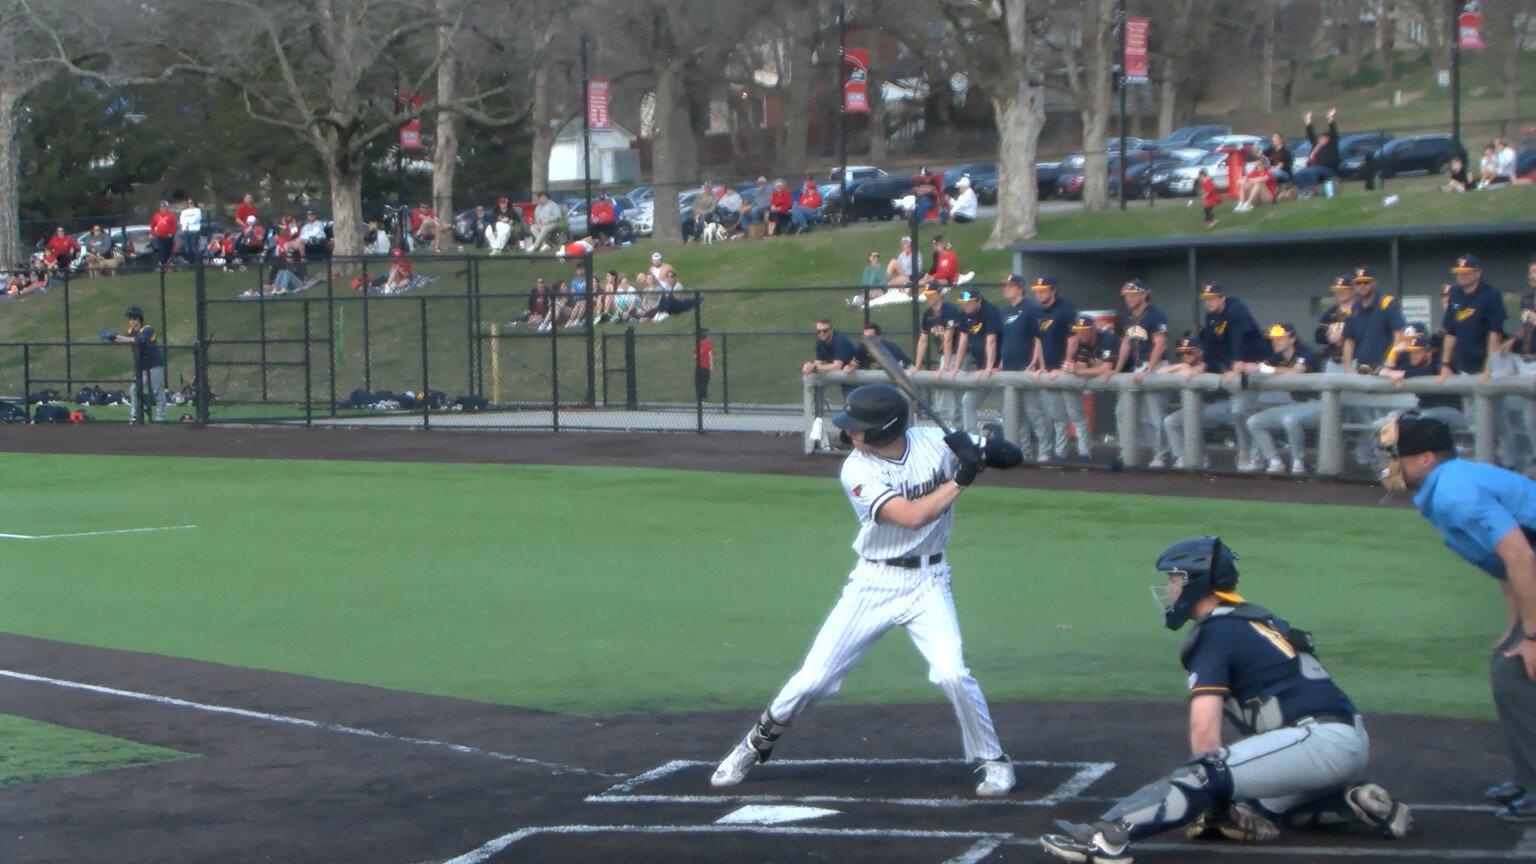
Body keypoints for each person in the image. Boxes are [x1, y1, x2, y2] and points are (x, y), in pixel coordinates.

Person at [710, 383, 1023, 797]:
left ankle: (993, 760)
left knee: (952, 673)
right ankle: (754, 744)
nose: (848, 433)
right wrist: (963, 477)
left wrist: (979, 449)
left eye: (857, 427)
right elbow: (911, 518)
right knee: (813, 680)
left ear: (882, 430)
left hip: (927, 582)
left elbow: (1013, 457)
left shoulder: (935, 442)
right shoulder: (856, 469)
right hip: (873, 583)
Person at [1039, 536, 1411, 864]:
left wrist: (1216, 805)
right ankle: (1349, 802)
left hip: (1316, 741)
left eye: (1174, 580)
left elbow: (1205, 736)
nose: (1170, 590)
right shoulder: (1258, 619)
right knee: (1260, 807)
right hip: (1339, 743)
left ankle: (1109, 836)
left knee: (1205, 771)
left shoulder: (1215, 631)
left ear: (1197, 582)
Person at [1378, 411, 1536, 822]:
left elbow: (1521, 556)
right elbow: (1504, 568)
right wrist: (1514, 628)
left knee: (1516, 676)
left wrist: (1533, 636)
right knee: (1509, 666)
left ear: (1427, 457)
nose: (1394, 465)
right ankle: (1529, 778)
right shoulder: (1446, 486)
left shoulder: (1455, 492)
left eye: (1401, 456)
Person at [1102, 279, 1173, 468]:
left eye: (1133, 294)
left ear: (1143, 294)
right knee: (1122, 412)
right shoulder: (1130, 317)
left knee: (1154, 414)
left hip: (1155, 366)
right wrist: (1117, 369)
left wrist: (1149, 368)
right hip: (1136, 368)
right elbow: (1125, 343)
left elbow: (1161, 343)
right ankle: (1128, 454)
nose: (1129, 299)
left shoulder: (1155, 314)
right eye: (1127, 295)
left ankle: (1161, 455)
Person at [1200, 283, 1269, 471]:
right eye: (1206, 299)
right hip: (1236, 368)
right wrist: (1207, 364)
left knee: (1242, 411)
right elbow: (1210, 346)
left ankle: (1252, 456)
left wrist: (1236, 363)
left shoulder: (1236, 308)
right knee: (1241, 412)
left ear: (1223, 297)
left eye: (1212, 298)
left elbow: (1240, 338)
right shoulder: (1211, 318)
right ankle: (1249, 454)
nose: (1209, 302)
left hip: (1257, 364)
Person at [1438, 254, 1508, 437]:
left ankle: (1508, 461)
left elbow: (1495, 333)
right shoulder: (1455, 293)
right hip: (1465, 367)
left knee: (1496, 421)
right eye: (1459, 272)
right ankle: (1480, 460)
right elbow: (1450, 332)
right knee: (1472, 419)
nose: (1461, 276)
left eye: (1466, 272)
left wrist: (1489, 368)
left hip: (1487, 367)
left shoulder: (1490, 295)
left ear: (1478, 273)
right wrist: (1445, 365)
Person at [1240, 323, 1321, 475]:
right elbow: (1260, 367)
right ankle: (1275, 462)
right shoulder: (1277, 356)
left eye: (1280, 338)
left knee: (1290, 420)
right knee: (1254, 421)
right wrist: (1246, 367)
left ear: (1292, 339)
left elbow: (1296, 372)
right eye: (1273, 339)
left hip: (1320, 405)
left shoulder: (1305, 353)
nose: (1275, 342)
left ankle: (1298, 462)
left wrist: (1266, 369)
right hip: (1297, 405)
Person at [1026, 276, 1088, 461]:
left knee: (1075, 413)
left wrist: (1065, 364)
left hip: (1067, 370)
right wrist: (1038, 365)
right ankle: (1061, 453)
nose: (1039, 293)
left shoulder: (1065, 309)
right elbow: (1039, 340)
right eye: (1037, 290)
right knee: (1056, 415)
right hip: (1050, 370)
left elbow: (1074, 338)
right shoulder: (1039, 313)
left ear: (1053, 290)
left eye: (1043, 290)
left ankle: (1085, 452)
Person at [948, 288, 1003, 434]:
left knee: (1006, 408)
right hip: (982, 368)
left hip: (1001, 367)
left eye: (969, 303)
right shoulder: (964, 315)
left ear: (979, 300)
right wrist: (956, 366)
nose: (966, 306)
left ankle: (1019, 445)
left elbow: (992, 341)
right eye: (964, 303)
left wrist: (990, 367)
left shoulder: (990, 312)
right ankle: (973, 439)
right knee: (968, 401)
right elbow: (963, 341)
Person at [106, 304, 167, 423]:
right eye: (130, 319)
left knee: (157, 391)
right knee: (134, 389)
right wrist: (113, 338)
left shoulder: (147, 329)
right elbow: (126, 340)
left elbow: (138, 340)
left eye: (134, 318)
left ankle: (160, 416)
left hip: (155, 364)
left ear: (139, 318)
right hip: (142, 366)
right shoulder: (130, 331)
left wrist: (117, 336)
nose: (132, 321)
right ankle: (135, 415)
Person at [915, 285, 963, 428]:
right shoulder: (928, 313)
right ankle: (945, 427)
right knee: (942, 393)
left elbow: (948, 340)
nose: (928, 296)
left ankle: (957, 429)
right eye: (926, 294)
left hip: (957, 355)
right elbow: (923, 340)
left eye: (931, 293)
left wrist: (947, 366)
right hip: (945, 356)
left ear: (940, 293)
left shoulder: (949, 309)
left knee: (954, 395)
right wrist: (917, 366)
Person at [1342, 266, 1405, 373]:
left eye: (1366, 282)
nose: (1362, 286)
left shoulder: (1386, 303)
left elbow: (1399, 334)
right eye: (1358, 283)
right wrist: (1347, 367)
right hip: (1361, 369)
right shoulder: (1352, 310)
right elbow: (1349, 340)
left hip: (1385, 369)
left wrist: (1390, 362)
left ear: (1374, 283)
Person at [1292, 108, 1340, 198]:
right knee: (1298, 174)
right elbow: (1310, 134)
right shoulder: (1316, 145)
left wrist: (1329, 118)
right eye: (1320, 137)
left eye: (1323, 137)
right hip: (1313, 168)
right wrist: (1308, 121)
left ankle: (1311, 190)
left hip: (1326, 169)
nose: (1320, 139)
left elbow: (1334, 133)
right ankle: (1304, 190)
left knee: (1312, 172)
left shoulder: (1331, 145)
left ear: (1328, 139)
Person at [1316, 276, 1356, 371]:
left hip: (1354, 360)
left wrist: (1345, 335)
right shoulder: (1331, 313)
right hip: (1334, 361)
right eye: (1337, 290)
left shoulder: (1359, 310)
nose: (1340, 292)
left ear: (1353, 291)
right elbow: (1318, 335)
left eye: (1344, 289)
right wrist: (1329, 337)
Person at [846, 322, 911, 372]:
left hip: (904, 371)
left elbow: (898, 369)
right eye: (864, 336)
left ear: (878, 337)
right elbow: (854, 363)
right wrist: (849, 367)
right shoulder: (862, 347)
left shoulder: (890, 348)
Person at [149, 201, 178, 267]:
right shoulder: (156, 215)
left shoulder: (170, 215)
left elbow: (175, 225)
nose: (163, 208)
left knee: (168, 250)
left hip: (169, 236)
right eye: (161, 206)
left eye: (164, 206)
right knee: (162, 250)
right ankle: (163, 264)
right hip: (160, 236)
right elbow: (152, 224)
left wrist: (171, 233)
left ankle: (168, 264)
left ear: (167, 207)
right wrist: (151, 232)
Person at [178, 197, 203, 263]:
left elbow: (195, 219)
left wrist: (188, 222)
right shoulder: (184, 212)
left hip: (194, 231)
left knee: (194, 247)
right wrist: (186, 223)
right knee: (187, 247)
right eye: (189, 203)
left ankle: (196, 262)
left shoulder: (197, 210)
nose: (190, 204)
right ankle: (190, 262)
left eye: (191, 203)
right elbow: (182, 220)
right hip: (186, 231)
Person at [694, 329, 715, 402]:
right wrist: (711, 366)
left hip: (700, 367)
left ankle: (700, 398)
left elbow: (695, 355)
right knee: (704, 383)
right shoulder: (708, 345)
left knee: (699, 383)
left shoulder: (699, 344)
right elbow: (710, 356)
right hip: (705, 367)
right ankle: (703, 398)